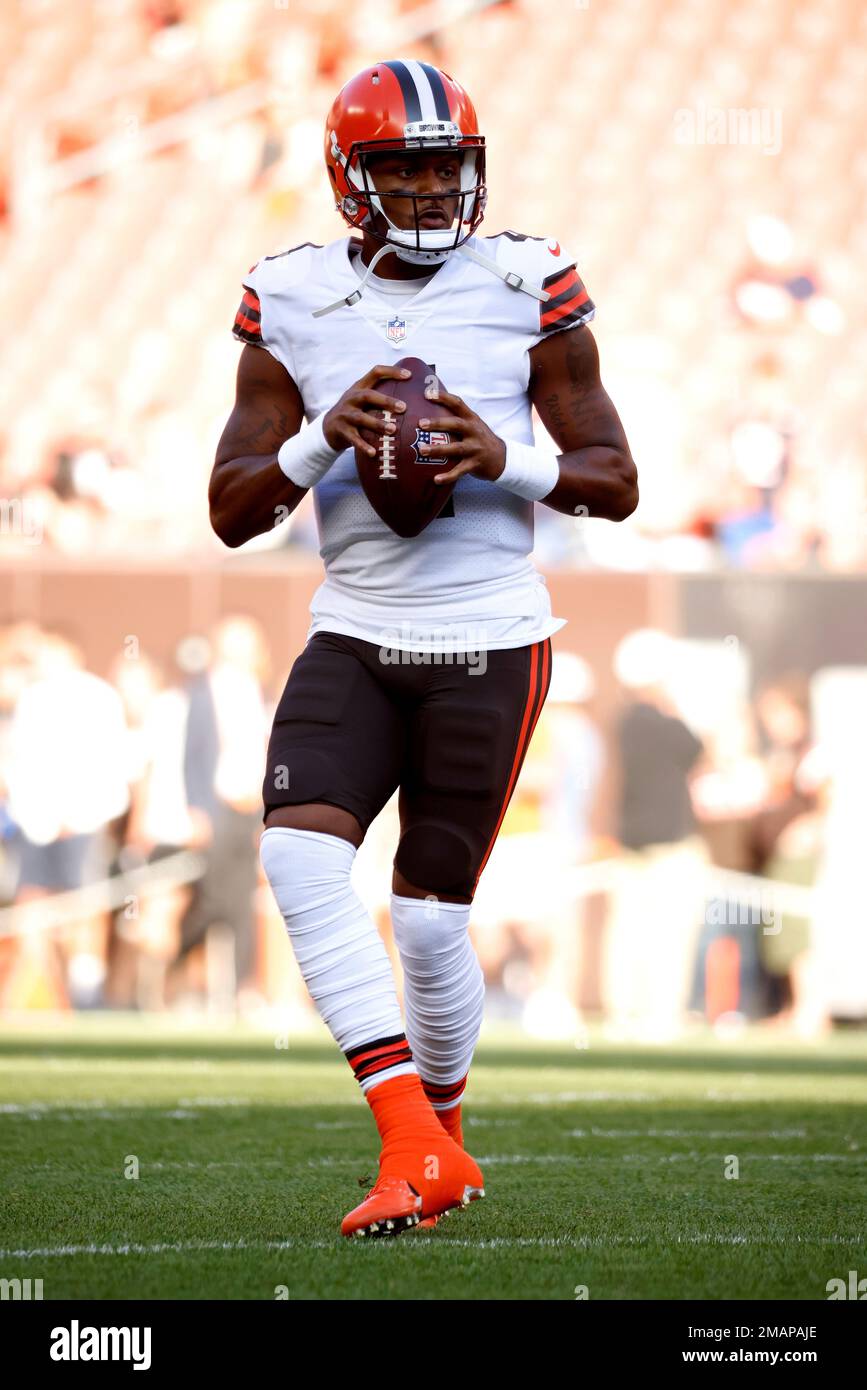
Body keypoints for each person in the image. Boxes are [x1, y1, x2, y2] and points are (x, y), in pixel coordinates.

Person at [210, 60, 638, 1238]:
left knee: (435, 922)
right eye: (406, 165)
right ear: (351, 180)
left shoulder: (527, 278)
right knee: (298, 862)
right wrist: (317, 443)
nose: (434, 186)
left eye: (448, 164)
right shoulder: (290, 294)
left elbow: (619, 480)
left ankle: (439, 1141)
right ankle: (411, 1141)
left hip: (490, 635)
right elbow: (231, 509)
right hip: (352, 623)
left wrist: (510, 459)